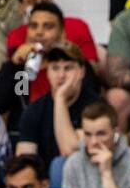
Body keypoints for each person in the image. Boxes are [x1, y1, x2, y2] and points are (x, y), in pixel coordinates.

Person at [15, 40, 103, 168]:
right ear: (48, 73)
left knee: (59, 165)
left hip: (84, 176)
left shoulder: (97, 107)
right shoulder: (34, 110)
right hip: (45, 182)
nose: (61, 75)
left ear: (81, 72)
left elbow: (69, 153)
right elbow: (24, 161)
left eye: (68, 68)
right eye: (55, 68)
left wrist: (60, 98)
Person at [0, 0, 72, 126]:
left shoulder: (72, 66)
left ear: (62, 34)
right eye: (33, 26)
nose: (39, 32)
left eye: (48, 26)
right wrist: (14, 65)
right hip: (24, 138)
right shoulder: (22, 70)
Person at [4, 0, 99, 74]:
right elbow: (17, 79)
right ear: (21, 7)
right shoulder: (16, 36)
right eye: (32, 2)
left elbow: (92, 72)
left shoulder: (78, 26)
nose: (40, 5)